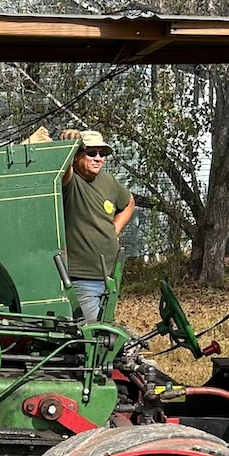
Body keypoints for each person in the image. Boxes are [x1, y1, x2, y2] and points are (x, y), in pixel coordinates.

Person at [60, 129, 135, 322]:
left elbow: (129, 203)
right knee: (97, 337)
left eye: (102, 154)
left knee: (103, 332)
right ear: (76, 157)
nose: (98, 158)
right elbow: (65, 171)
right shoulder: (70, 181)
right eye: (91, 153)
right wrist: (67, 146)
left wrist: (115, 229)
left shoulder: (107, 181)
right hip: (82, 279)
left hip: (109, 277)